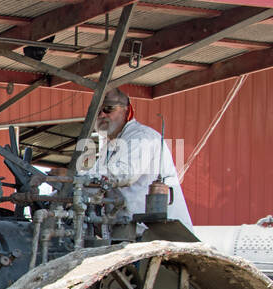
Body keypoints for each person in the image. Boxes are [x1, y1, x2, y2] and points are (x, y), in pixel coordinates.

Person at [82, 88, 194, 229]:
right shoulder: (108, 147)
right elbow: (93, 182)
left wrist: (79, 179)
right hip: (130, 230)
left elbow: (124, 173)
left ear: (127, 110)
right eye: (97, 112)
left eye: (108, 109)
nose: (102, 115)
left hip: (160, 233)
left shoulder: (142, 137)